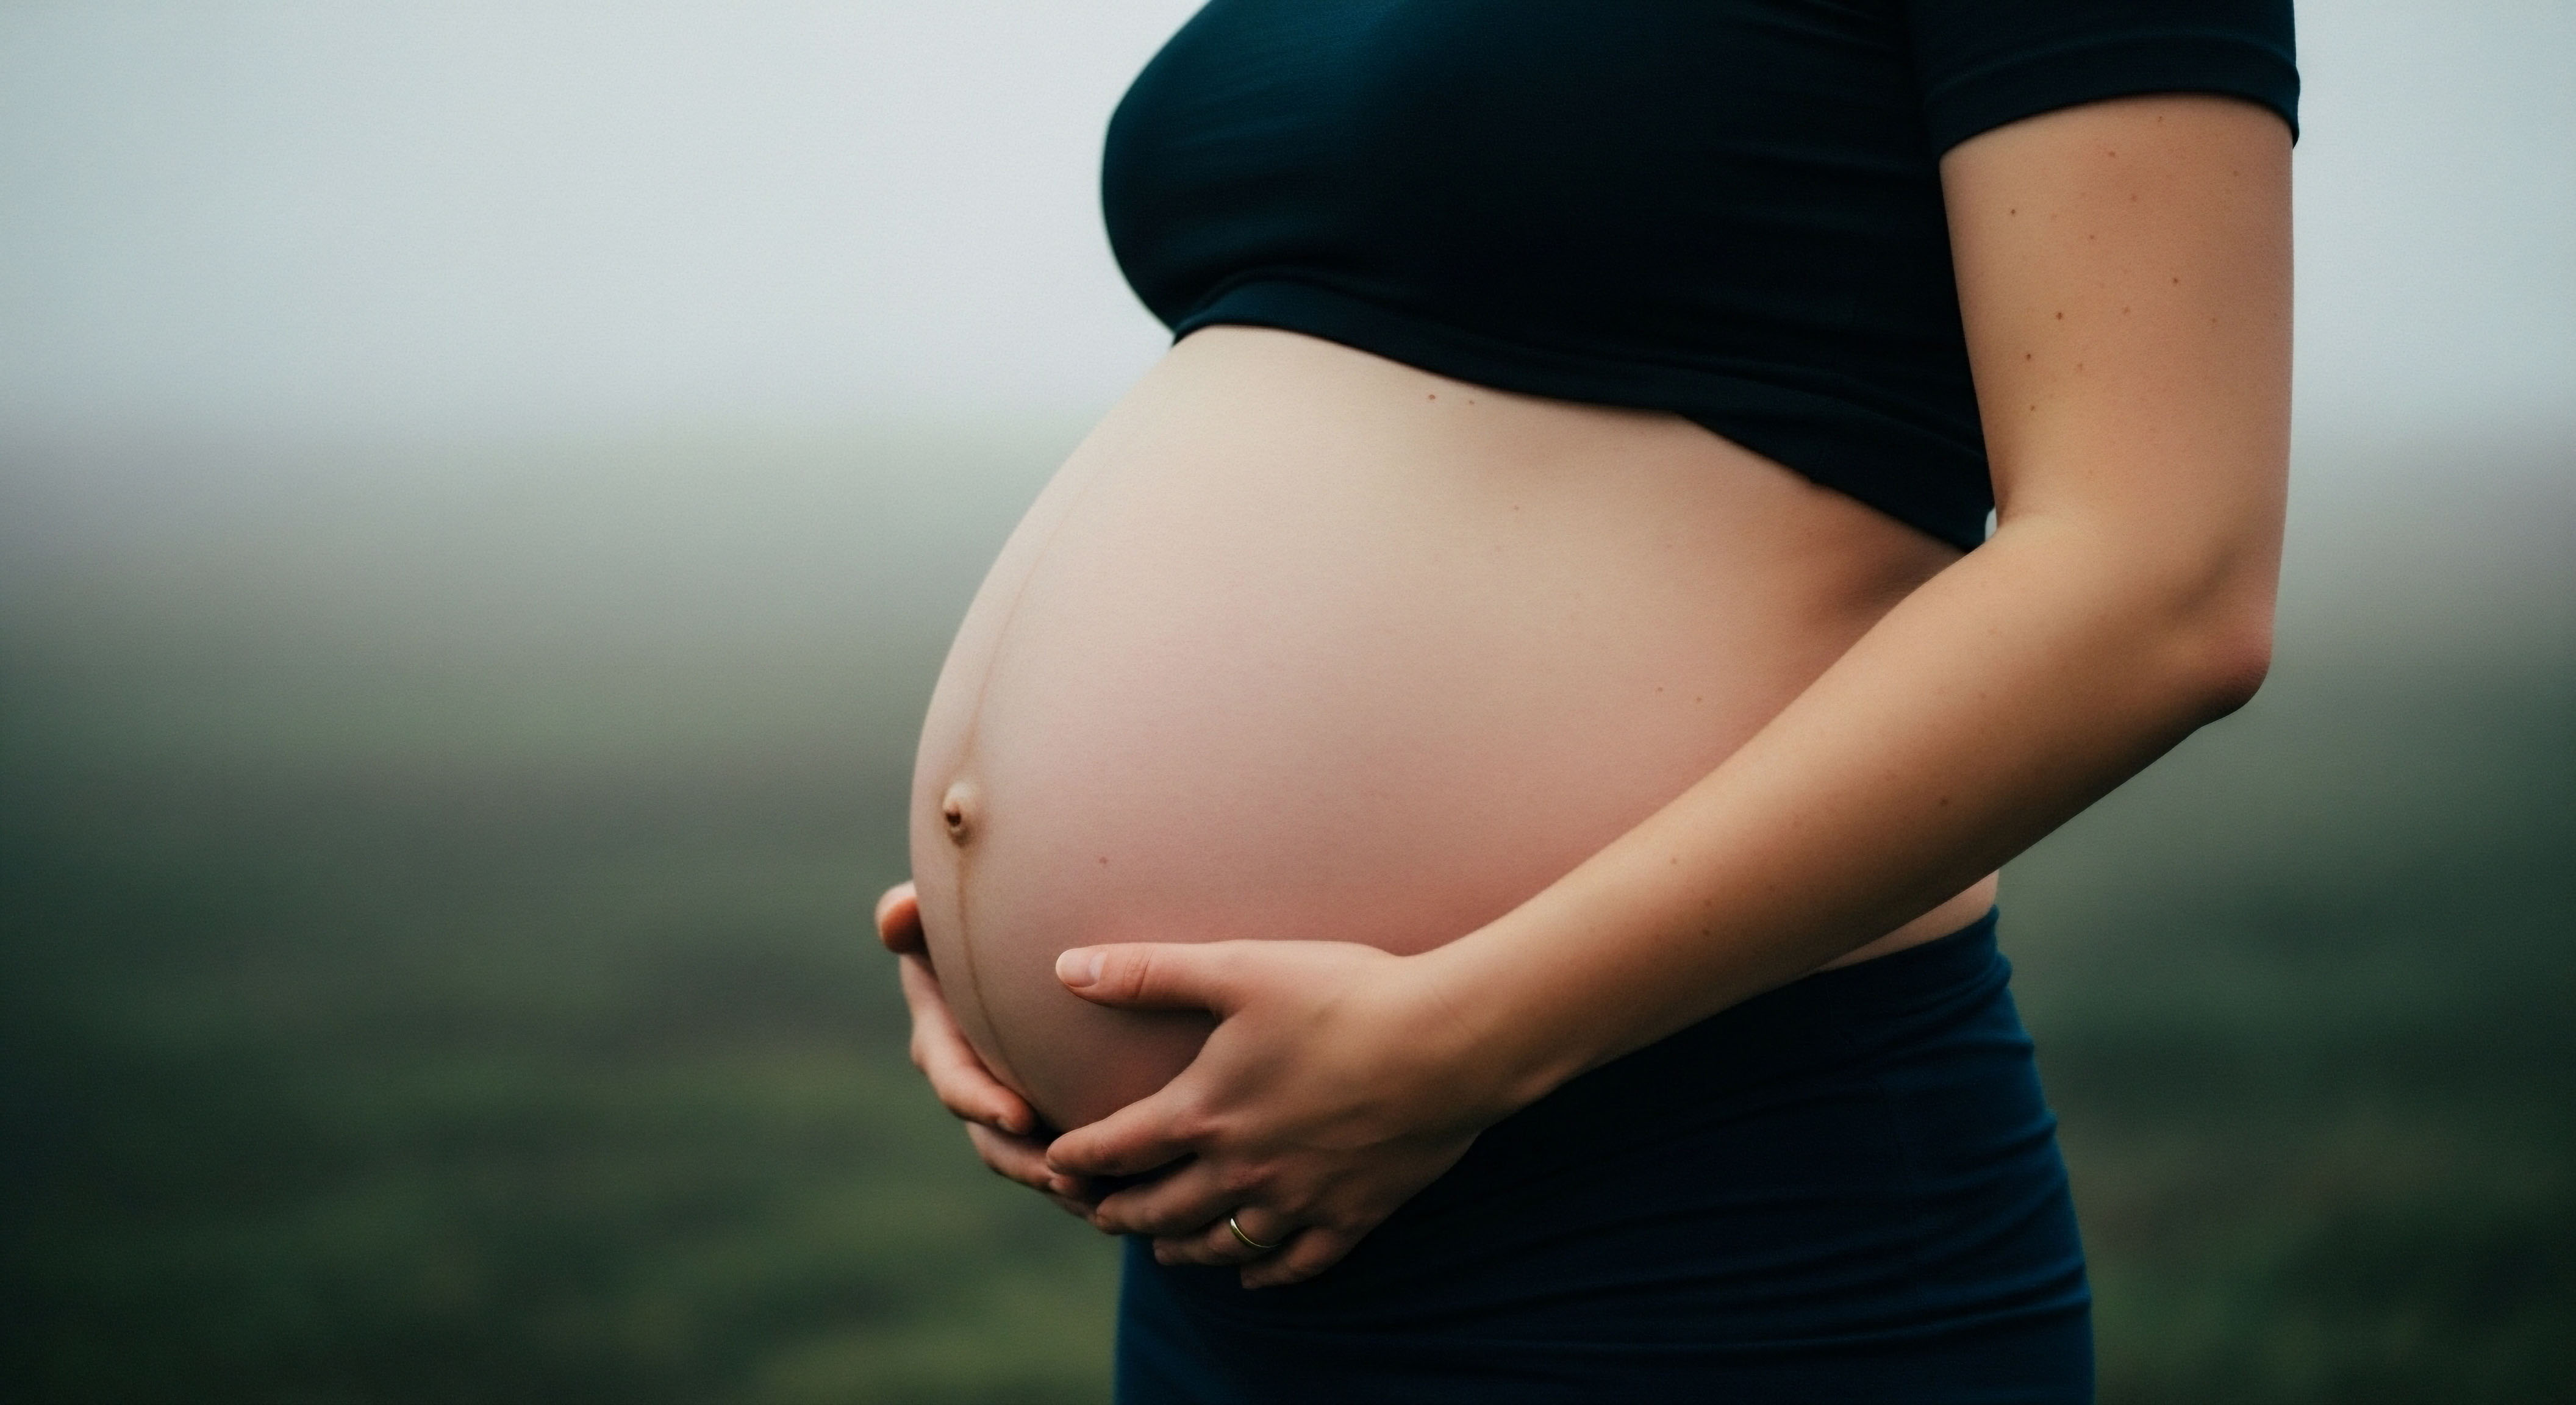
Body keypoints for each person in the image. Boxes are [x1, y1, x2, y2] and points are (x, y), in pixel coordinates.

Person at [876, 1, 2296, 1398]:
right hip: (1237, 1262)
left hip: (1695, 1225)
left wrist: (1466, 1038)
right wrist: (999, 923)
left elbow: (2158, 578)